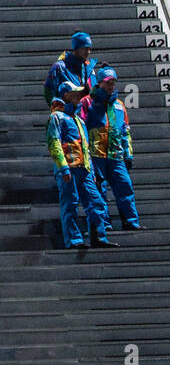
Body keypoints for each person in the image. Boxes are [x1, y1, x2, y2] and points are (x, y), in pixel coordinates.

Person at [46, 91, 113, 250]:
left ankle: (98, 237)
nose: (79, 96)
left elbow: (85, 147)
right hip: (69, 168)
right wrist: (63, 167)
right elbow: (54, 143)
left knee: (95, 202)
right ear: (67, 95)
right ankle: (74, 241)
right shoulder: (57, 117)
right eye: (76, 93)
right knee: (70, 204)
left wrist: (91, 170)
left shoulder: (78, 119)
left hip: (84, 168)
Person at [81, 67, 141, 231]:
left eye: (113, 82)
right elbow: (81, 127)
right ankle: (104, 224)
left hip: (116, 153)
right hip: (96, 153)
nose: (110, 86)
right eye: (107, 82)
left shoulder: (119, 105)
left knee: (125, 186)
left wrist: (128, 153)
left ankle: (130, 221)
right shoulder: (87, 102)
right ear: (99, 83)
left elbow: (125, 130)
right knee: (99, 190)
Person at [44, 30, 99, 106]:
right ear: (76, 48)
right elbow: (48, 92)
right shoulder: (60, 68)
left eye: (89, 49)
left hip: (86, 114)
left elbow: (94, 94)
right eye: (85, 48)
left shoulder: (89, 69)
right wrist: (58, 108)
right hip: (67, 114)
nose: (88, 52)